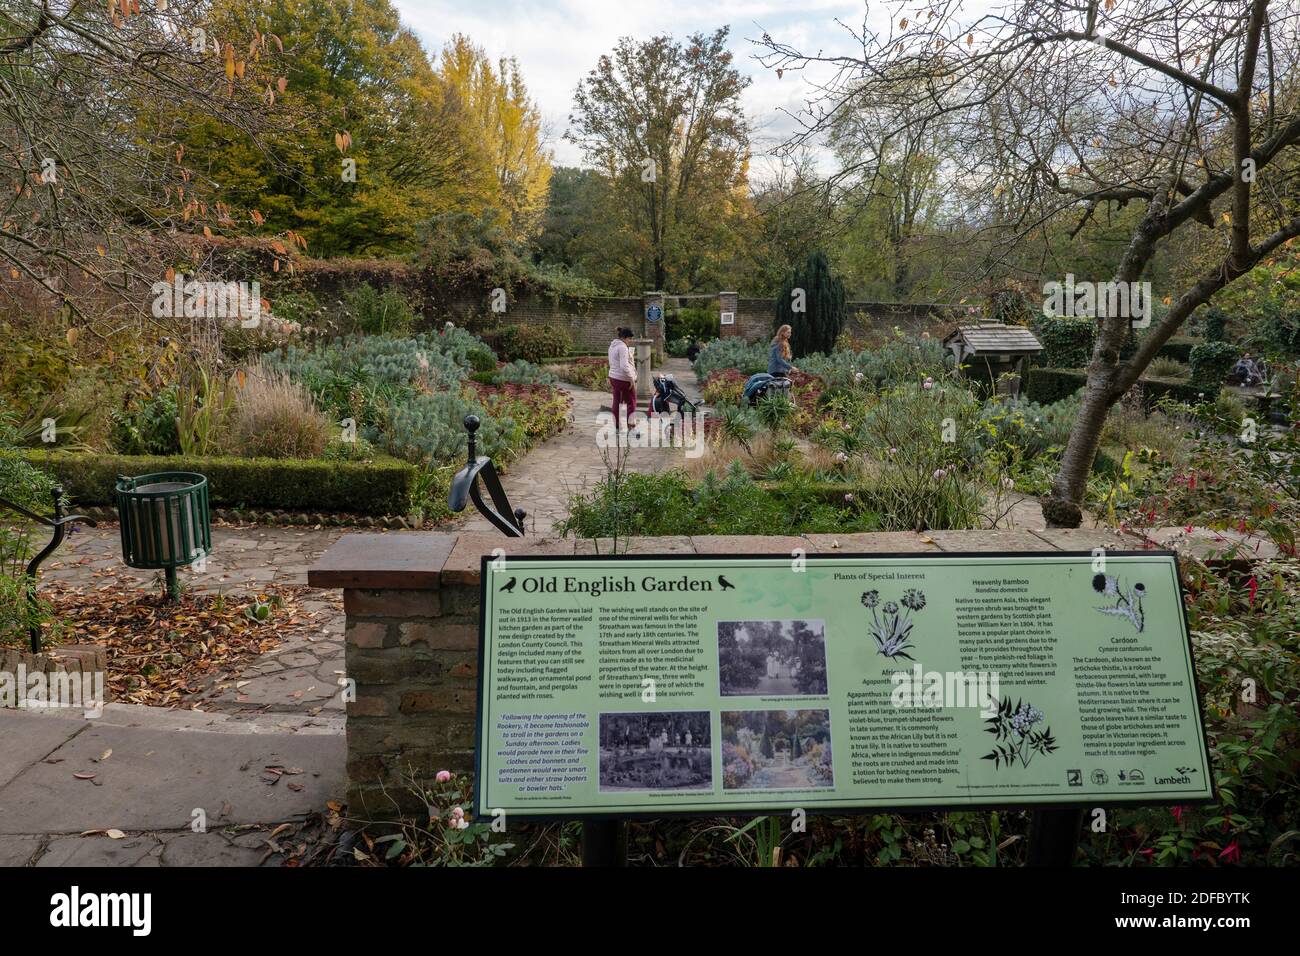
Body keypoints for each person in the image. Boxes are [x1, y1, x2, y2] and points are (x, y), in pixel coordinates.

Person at [608, 327, 637, 430]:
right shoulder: (623, 347)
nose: (631, 341)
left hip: (613, 377)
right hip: (623, 379)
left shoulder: (612, 346)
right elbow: (624, 366)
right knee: (631, 402)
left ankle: (616, 425)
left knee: (617, 401)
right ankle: (631, 427)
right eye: (630, 339)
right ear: (624, 338)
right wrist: (631, 378)